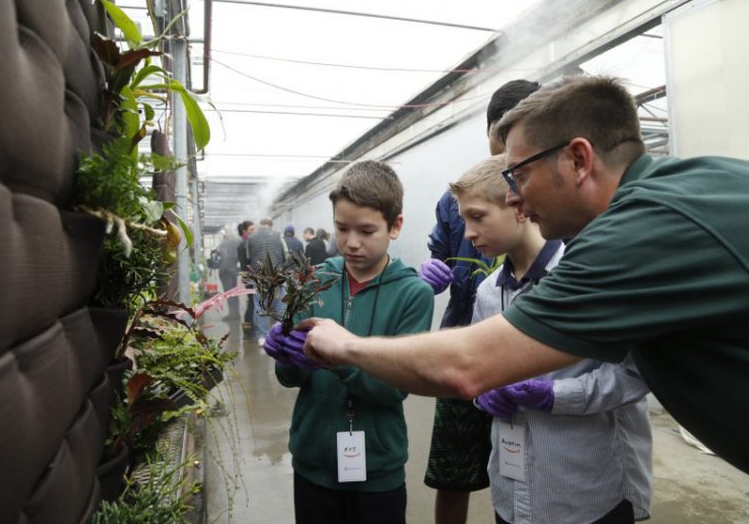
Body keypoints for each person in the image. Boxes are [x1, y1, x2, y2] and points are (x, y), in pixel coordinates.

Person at [300, 75, 749, 474]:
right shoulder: (693, 181)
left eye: (518, 174)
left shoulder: (632, 234)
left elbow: (467, 365)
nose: (513, 198)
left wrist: (346, 345)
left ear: (578, 160)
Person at [452, 155, 651, 524]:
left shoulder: (586, 280)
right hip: (511, 493)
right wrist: (484, 394)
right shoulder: (488, 293)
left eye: (477, 217)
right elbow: (479, 372)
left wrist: (553, 396)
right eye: (464, 219)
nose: (467, 234)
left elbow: (633, 377)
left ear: (518, 208)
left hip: (582, 495)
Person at [263, 160, 434, 524]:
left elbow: (395, 388)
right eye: (342, 228)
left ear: (395, 226)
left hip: (377, 469)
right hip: (312, 462)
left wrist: (336, 358)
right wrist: (286, 355)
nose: (351, 242)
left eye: (367, 230)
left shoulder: (412, 294)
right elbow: (289, 380)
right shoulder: (313, 281)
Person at [420, 80, 538, 524]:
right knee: (453, 472)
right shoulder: (456, 201)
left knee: (524, 463)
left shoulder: (547, 199)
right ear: (488, 133)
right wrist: (426, 279)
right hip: (462, 345)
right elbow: (438, 257)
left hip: (524, 352)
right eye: (500, 142)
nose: (507, 158)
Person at [245, 217, 286, 342]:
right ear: (271, 225)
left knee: (260, 306)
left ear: (260, 225)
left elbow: (249, 257)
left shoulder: (251, 238)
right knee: (281, 305)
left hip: (259, 277)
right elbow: (285, 256)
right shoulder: (278, 236)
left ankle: (262, 336)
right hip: (276, 275)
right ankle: (282, 333)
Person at [216, 225, 241, 320]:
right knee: (234, 293)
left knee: (229, 293)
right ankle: (235, 313)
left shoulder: (226, 242)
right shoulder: (237, 241)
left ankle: (233, 314)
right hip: (233, 269)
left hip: (226, 270)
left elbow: (224, 256)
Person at [236, 220, 255, 330]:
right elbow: (245, 262)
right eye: (251, 230)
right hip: (250, 275)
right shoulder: (245, 244)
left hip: (247, 275)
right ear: (245, 231)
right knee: (252, 301)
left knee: (251, 300)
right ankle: (248, 324)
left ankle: (248, 324)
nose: (254, 232)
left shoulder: (242, 244)